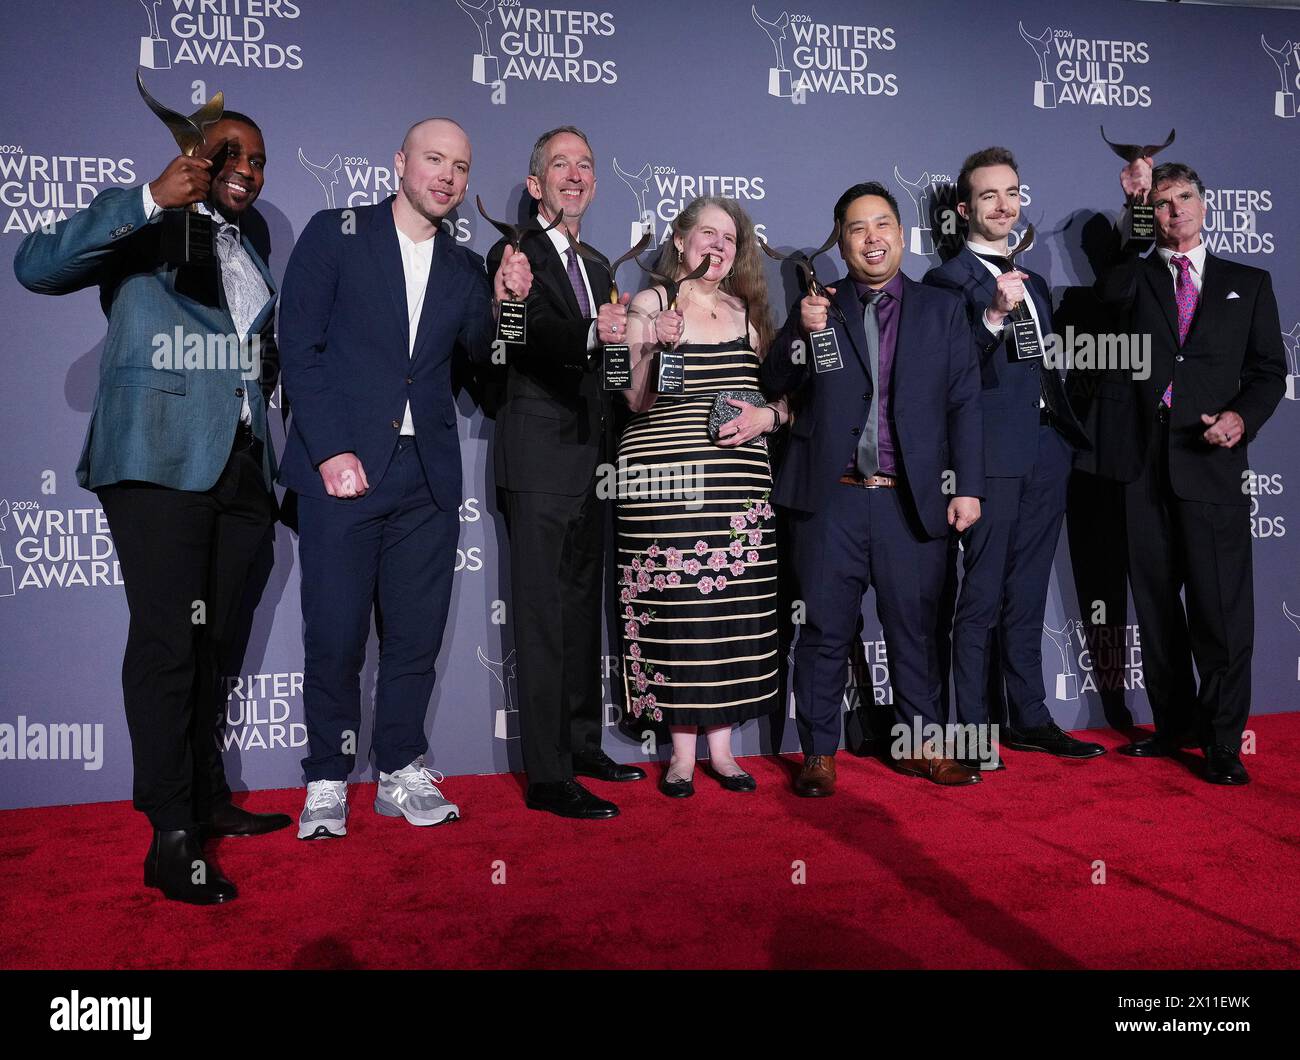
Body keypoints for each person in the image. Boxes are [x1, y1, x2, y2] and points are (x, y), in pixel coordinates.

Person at [14, 110, 289, 904]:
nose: (246, 168)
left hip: (240, 468)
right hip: (157, 457)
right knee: (170, 642)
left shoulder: (255, 242)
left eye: (259, 160)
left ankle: (205, 799)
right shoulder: (145, 217)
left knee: (215, 643)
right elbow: (36, 265)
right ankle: (171, 838)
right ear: (192, 154)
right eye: (230, 153)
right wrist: (144, 199)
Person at [279, 117, 532, 837]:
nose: (447, 176)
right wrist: (329, 450)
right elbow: (299, 346)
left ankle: (401, 768)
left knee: (415, 637)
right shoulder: (337, 233)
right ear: (400, 162)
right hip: (345, 474)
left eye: (460, 165)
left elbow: (483, 373)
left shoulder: (464, 266)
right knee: (334, 634)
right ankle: (327, 777)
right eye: (433, 159)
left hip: (427, 480)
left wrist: (509, 306)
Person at [761, 181, 986, 794]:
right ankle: (818, 754)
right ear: (843, 240)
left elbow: (965, 403)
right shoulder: (819, 304)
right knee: (825, 631)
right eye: (857, 229)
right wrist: (801, 333)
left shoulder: (941, 310)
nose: (872, 238)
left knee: (915, 630)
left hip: (909, 499)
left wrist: (968, 487)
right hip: (829, 500)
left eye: (882, 224)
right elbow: (774, 379)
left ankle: (924, 747)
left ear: (902, 235)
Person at [1095, 158, 1285, 784]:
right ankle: (1175, 726)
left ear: (1206, 205)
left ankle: (1224, 742)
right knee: (1155, 608)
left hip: (1211, 463)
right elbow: (1110, 297)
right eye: (1163, 202)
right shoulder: (1134, 275)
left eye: (1183, 199)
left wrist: (1241, 419)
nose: (1173, 210)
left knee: (1221, 611)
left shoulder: (1247, 282)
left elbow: (1266, 373)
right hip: (1142, 465)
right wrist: (1133, 210)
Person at [484, 125, 646, 821]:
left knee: (583, 611)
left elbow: (609, 371)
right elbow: (523, 340)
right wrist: (587, 333)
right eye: (560, 164)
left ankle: (582, 742)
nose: (574, 175)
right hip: (541, 457)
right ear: (534, 184)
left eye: (585, 164)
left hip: (596, 460)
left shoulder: (604, 264)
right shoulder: (512, 255)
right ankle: (548, 775)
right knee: (544, 616)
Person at [924, 147, 1105, 766]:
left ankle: (1029, 718)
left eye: (1012, 193)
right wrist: (995, 316)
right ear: (964, 208)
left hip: (1046, 454)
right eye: (989, 196)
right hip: (990, 462)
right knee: (979, 598)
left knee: (1026, 594)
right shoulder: (946, 283)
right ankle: (972, 732)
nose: (1004, 206)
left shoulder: (1038, 282)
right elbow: (948, 378)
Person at [618, 196, 787, 797]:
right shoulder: (649, 304)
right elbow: (635, 401)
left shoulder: (748, 314)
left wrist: (768, 416)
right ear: (681, 241)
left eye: (730, 238)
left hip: (738, 496)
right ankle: (681, 756)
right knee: (679, 614)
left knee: (729, 615)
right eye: (707, 233)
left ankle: (725, 751)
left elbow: (782, 399)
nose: (718, 245)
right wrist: (651, 347)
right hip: (666, 491)